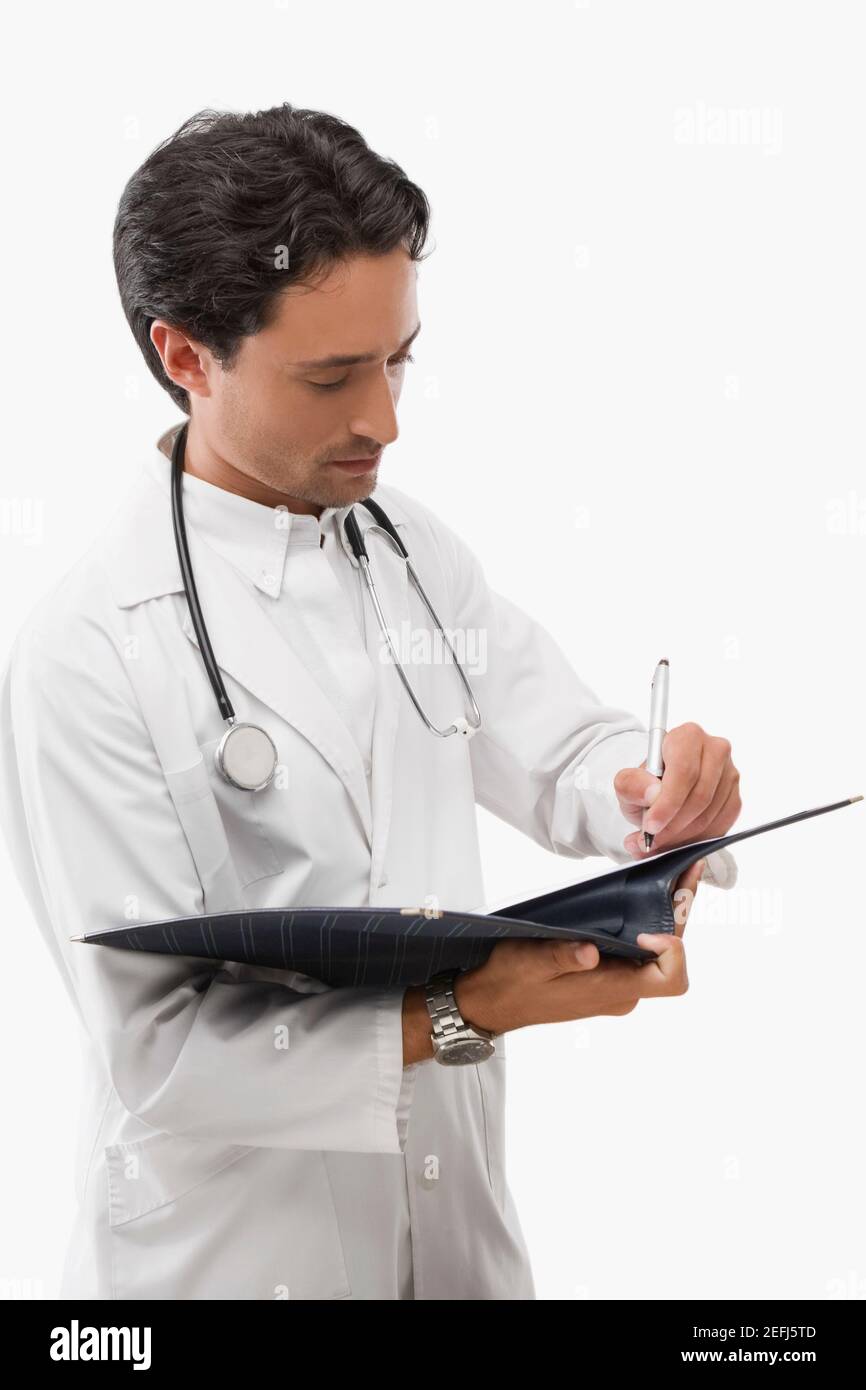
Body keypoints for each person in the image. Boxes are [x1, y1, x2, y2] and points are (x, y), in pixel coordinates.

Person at [0, 103, 741, 1301]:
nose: (385, 420)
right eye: (332, 376)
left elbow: (564, 756)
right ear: (186, 354)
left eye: (399, 359)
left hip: (457, 1247)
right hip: (228, 1263)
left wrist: (651, 787)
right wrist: (461, 1008)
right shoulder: (86, 653)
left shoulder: (407, 552)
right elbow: (159, 1052)